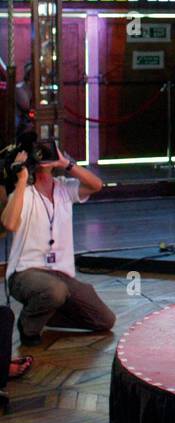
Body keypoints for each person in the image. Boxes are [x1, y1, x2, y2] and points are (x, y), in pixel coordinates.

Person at [1, 143, 115, 345]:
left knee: (104, 320)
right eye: (39, 155)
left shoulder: (64, 188)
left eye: (48, 154)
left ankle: (44, 311)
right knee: (55, 291)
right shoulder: (25, 194)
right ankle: (29, 326)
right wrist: (21, 181)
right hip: (26, 272)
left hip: (60, 274)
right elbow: (9, 223)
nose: (44, 158)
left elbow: (97, 185)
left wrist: (67, 163)